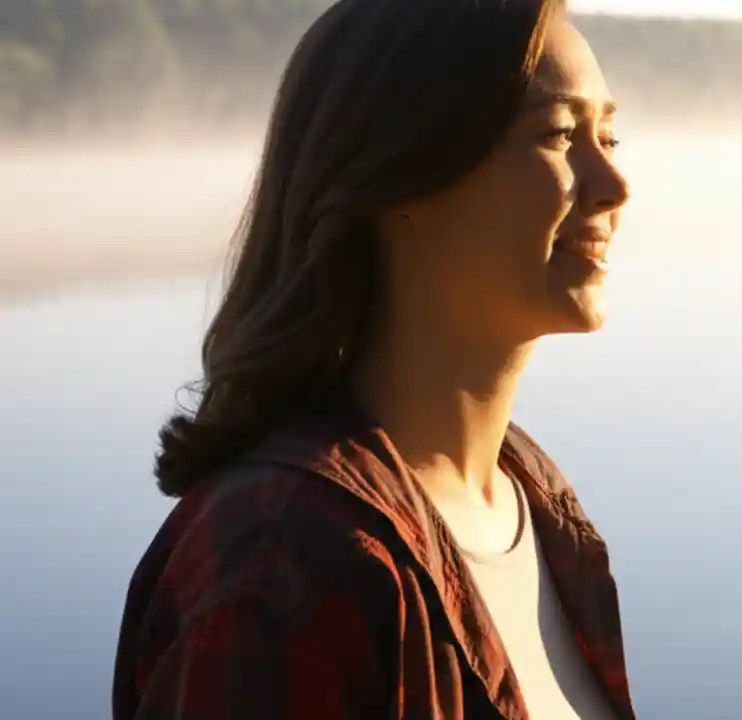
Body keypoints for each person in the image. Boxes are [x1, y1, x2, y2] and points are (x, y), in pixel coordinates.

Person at [111, 0, 633, 718]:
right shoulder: (279, 564)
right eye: (559, 134)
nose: (613, 183)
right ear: (398, 179)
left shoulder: (537, 506)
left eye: (609, 134)